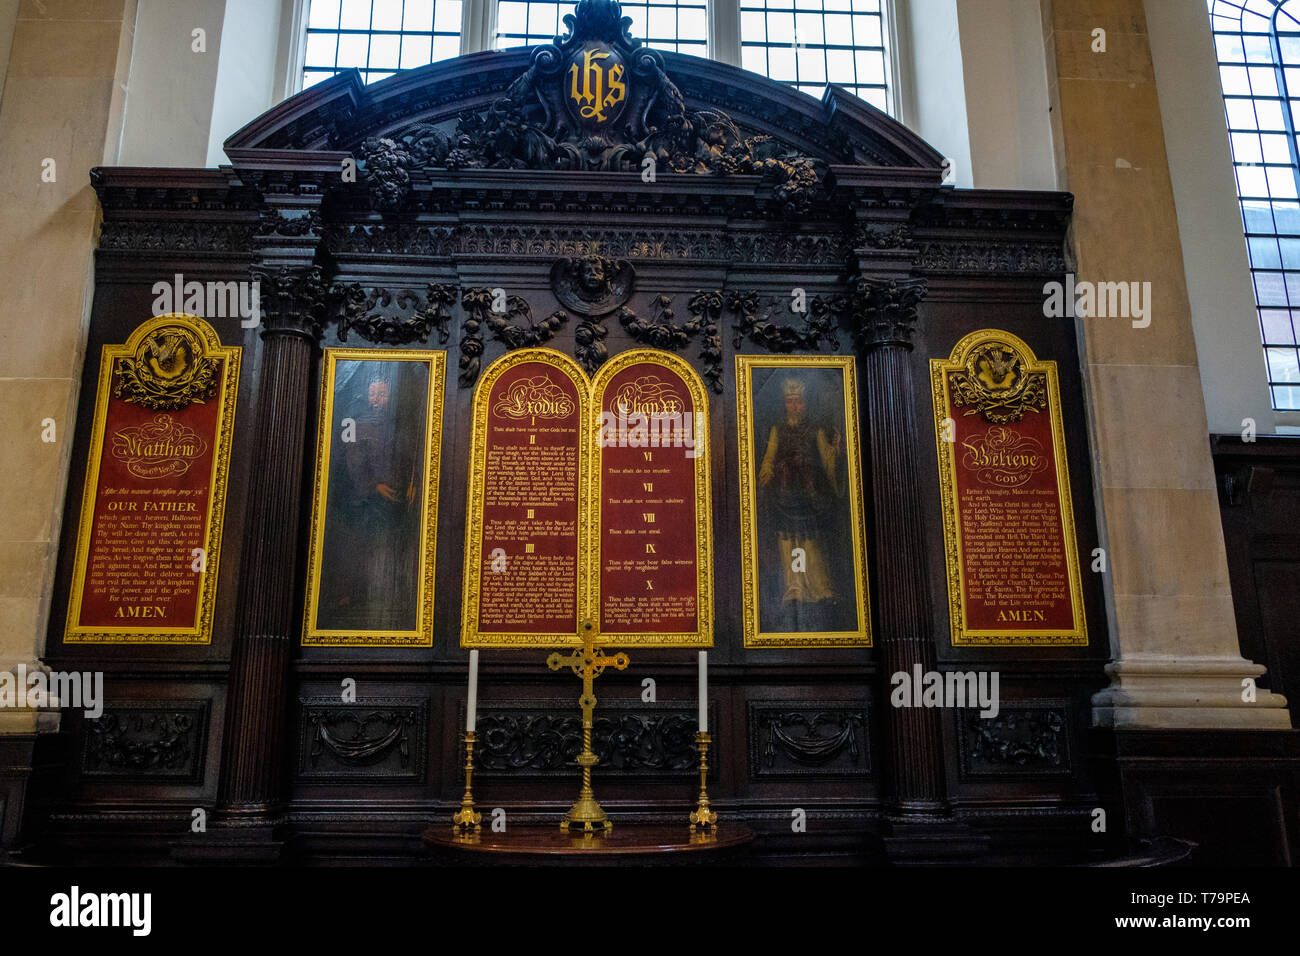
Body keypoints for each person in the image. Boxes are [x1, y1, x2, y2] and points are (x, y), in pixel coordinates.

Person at [319, 366, 424, 632]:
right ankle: (353, 596)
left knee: (395, 545)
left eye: (383, 394)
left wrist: (413, 483)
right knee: (362, 547)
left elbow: (408, 457)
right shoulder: (355, 423)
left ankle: (393, 597)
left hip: (397, 497)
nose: (377, 399)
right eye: (373, 394)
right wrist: (374, 486)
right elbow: (352, 462)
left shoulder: (396, 426)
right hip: (363, 500)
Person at [756, 377, 848, 632]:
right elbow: (769, 456)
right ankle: (794, 587)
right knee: (789, 543)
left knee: (811, 542)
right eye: (790, 402)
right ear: (785, 404)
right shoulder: (778, 429)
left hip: (809, 492)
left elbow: (827, 458)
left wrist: (836, 451)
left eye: (798, 402)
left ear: (803, 404)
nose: (794, 406)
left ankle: (820, 588)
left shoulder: (814, 429)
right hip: (786, 492)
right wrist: (765, 475)